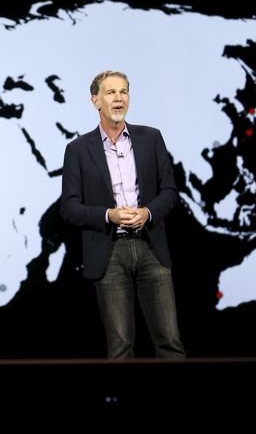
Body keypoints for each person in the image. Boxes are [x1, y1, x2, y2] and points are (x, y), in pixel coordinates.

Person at [61, 70, 185, 359]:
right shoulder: (78, 150)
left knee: (170, 342)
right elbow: (69, 207)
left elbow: (169, 191)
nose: (119, 98)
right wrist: (109, 215)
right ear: (96, 101)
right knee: (120, 348)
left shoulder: (151, 139)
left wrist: (147, 212)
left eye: (124, 92)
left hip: (150, 246)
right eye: (111, 92)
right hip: (109, 252)